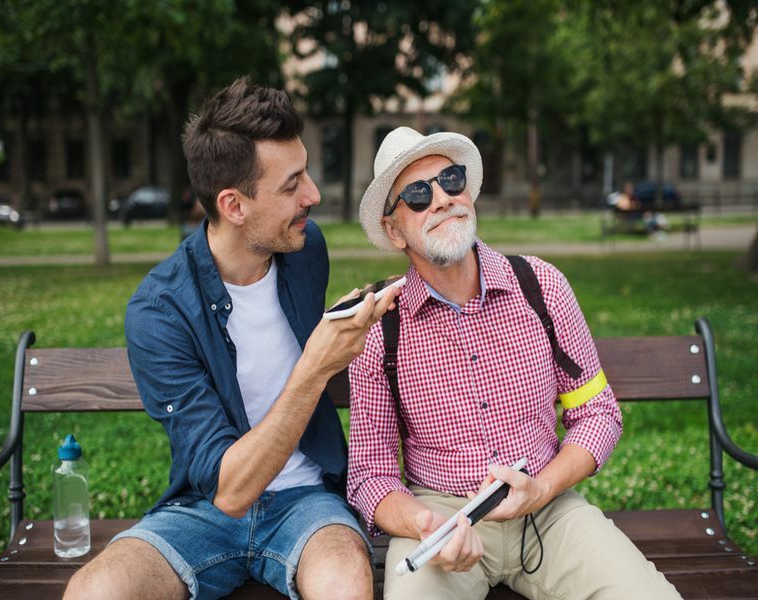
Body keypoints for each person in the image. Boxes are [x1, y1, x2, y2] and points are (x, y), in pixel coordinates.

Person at [64, 78, 398, 600]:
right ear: (233, 205)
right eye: (291, 186)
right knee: (96, 591)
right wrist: (316, 366)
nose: (313, 194)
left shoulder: (305, 249)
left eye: (305, 172)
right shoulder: (159, 311)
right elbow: (229, 490)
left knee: (345, 582)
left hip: (308, 500)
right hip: (202, 509)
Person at [346, 126, 682, 599]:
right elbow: (370, 474)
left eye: (452, 179)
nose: (442, 198)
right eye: (418, 194)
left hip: (548, 509)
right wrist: (425, 523)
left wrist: (542, 488)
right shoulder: (382, 327)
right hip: (443, 518)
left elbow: (597, 412)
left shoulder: (541, 286)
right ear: (394, 230)